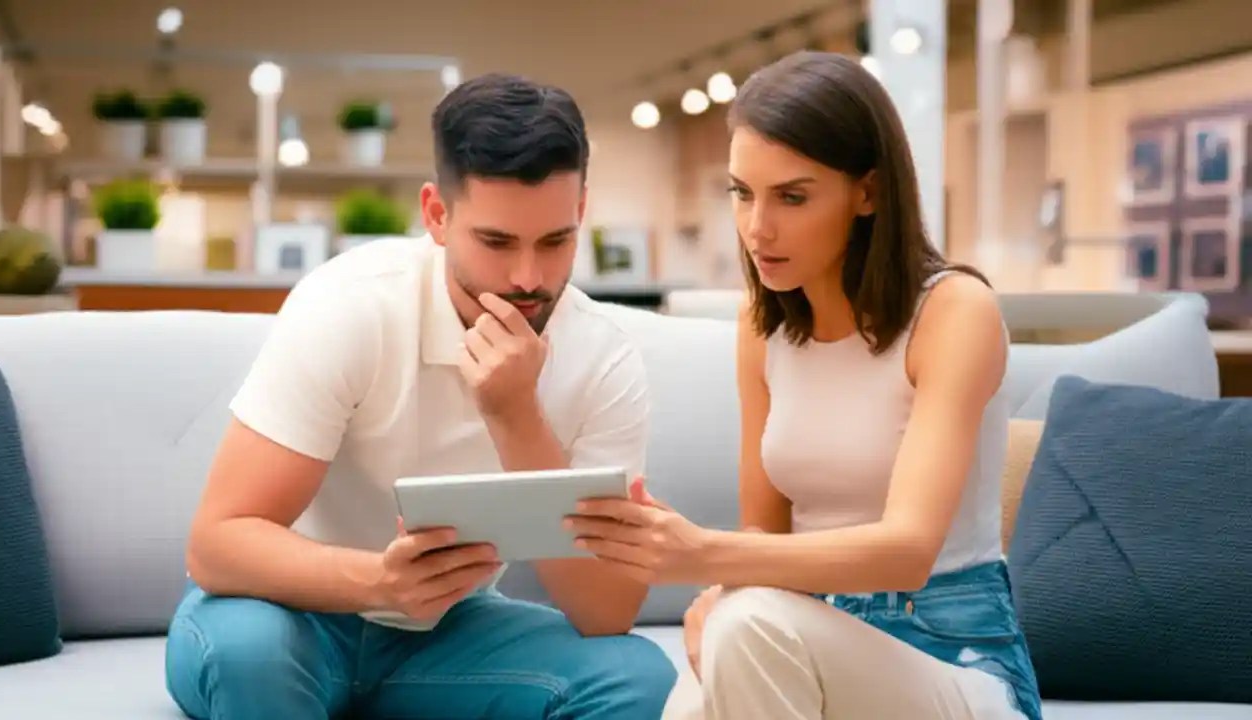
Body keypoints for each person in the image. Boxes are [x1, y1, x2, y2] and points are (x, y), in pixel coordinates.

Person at [165, 72, 676, 720]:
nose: (528, 278)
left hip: (448, 636)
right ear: (437, 215)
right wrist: (380, 582)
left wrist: (517, 415)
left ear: (580, 212)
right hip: (284, 617)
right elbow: (217, 543)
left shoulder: (603, 357)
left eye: (555, 242)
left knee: (638, 679)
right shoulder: (352, 305)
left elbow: (605, 611)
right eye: (496, 242)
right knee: (249, 656)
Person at [566, 51, 1043, 720]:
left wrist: (704, 558)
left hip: (954, 663)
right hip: (802, 642)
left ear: (868, 192)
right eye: (742, 192)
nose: (757, 227)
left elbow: (907, 552)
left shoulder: (954, 312)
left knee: (748, 624)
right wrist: (723, 590)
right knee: (706, 676)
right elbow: (765, 537)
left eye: (792, 196)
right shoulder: (763, 325)